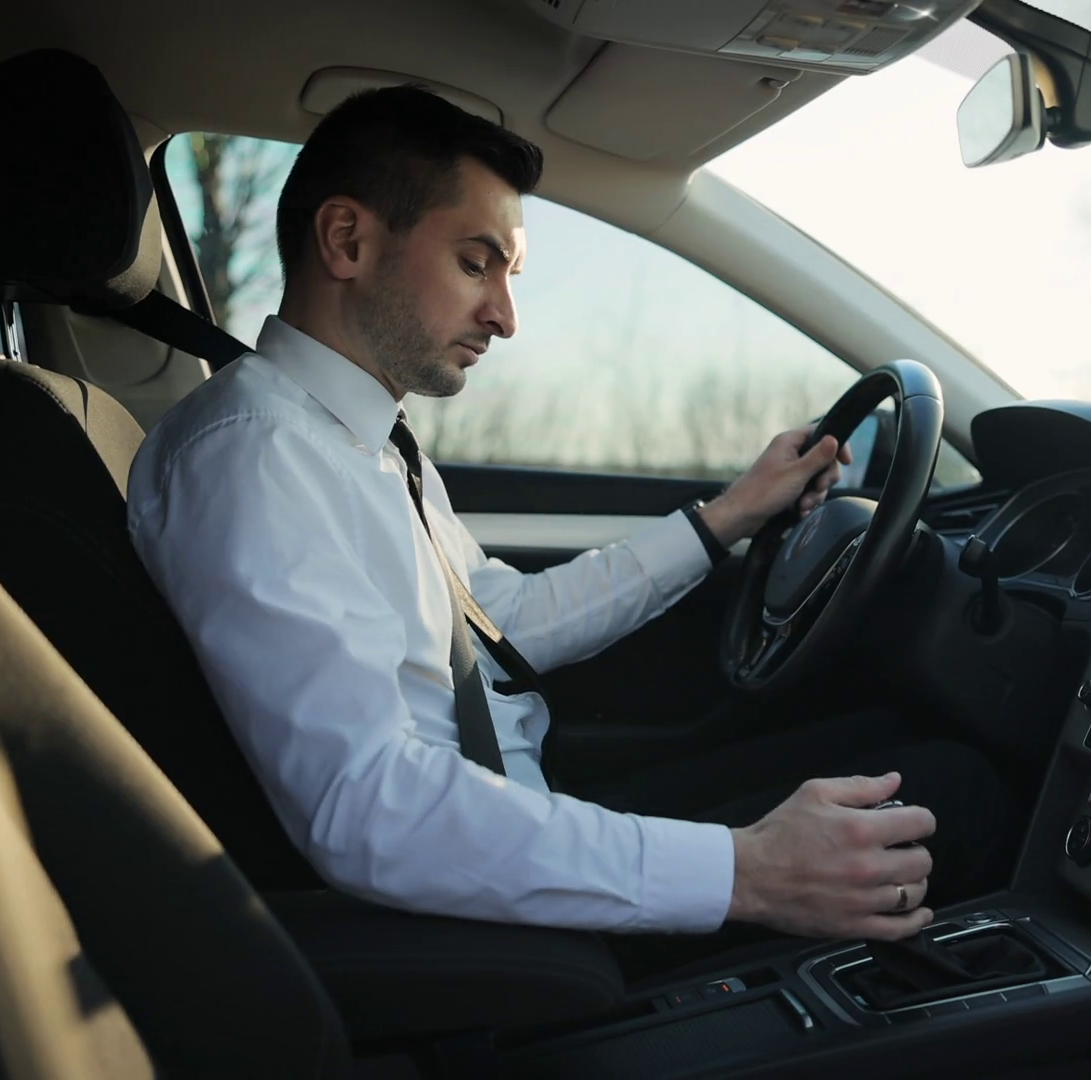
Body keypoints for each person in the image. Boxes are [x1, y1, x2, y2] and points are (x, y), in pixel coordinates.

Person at [128, 86, 1007, 953]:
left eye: (509, 276)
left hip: (511, 811)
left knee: (879, 750)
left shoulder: (360, 440)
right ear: (347, 240)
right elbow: (369, 809)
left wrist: (726, 519)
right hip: (464, 917)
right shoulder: (256, 457)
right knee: (953, 791)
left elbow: (498, 624)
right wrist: (748, 873)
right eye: (477, 264)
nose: (506, 317)